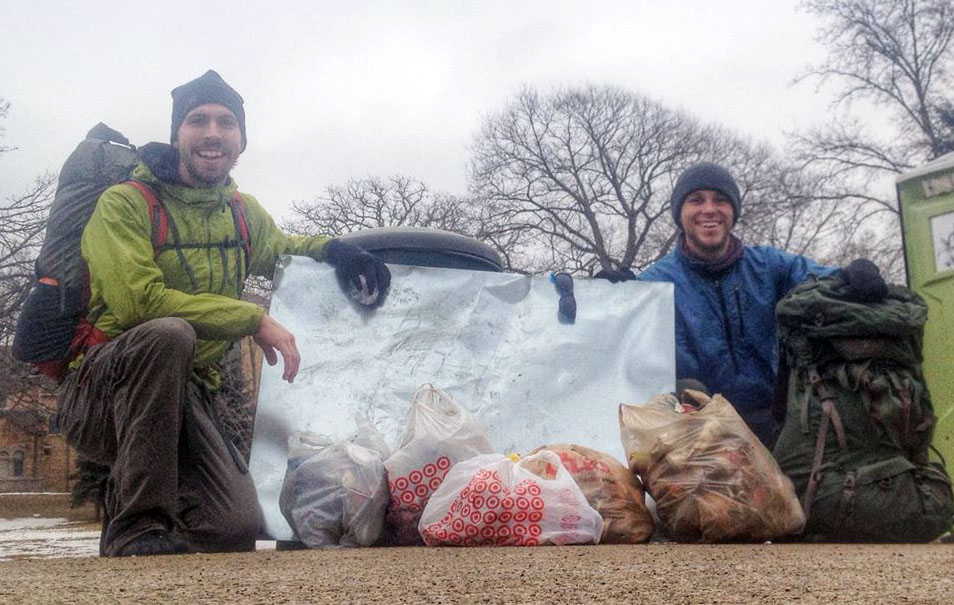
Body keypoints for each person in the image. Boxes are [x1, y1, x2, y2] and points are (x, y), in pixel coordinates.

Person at [56, 70, 391, 557]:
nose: (212, 133)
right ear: (177, 135)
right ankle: (136, 527)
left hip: (187, 396)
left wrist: (339, 251)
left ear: (241, 141)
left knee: (232, 528)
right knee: (167, 334)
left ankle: (149, 521)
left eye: (226, 122)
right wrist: (253, 320)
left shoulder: (243, 213)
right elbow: (139, 303)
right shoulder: (124, 203)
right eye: (198, 120)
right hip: (102, 392)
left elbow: (284, 250)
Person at [635, 162, 886, 447]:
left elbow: (818, 278)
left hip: (777, 424)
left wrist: (851, 275)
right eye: (696, 200)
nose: (709, 209)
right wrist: (605, 289)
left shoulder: (769, 265)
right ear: (680, 213)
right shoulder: (654, 282)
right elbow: (617, 321)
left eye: (720, 200)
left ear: (733, 212)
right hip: (700, 435)